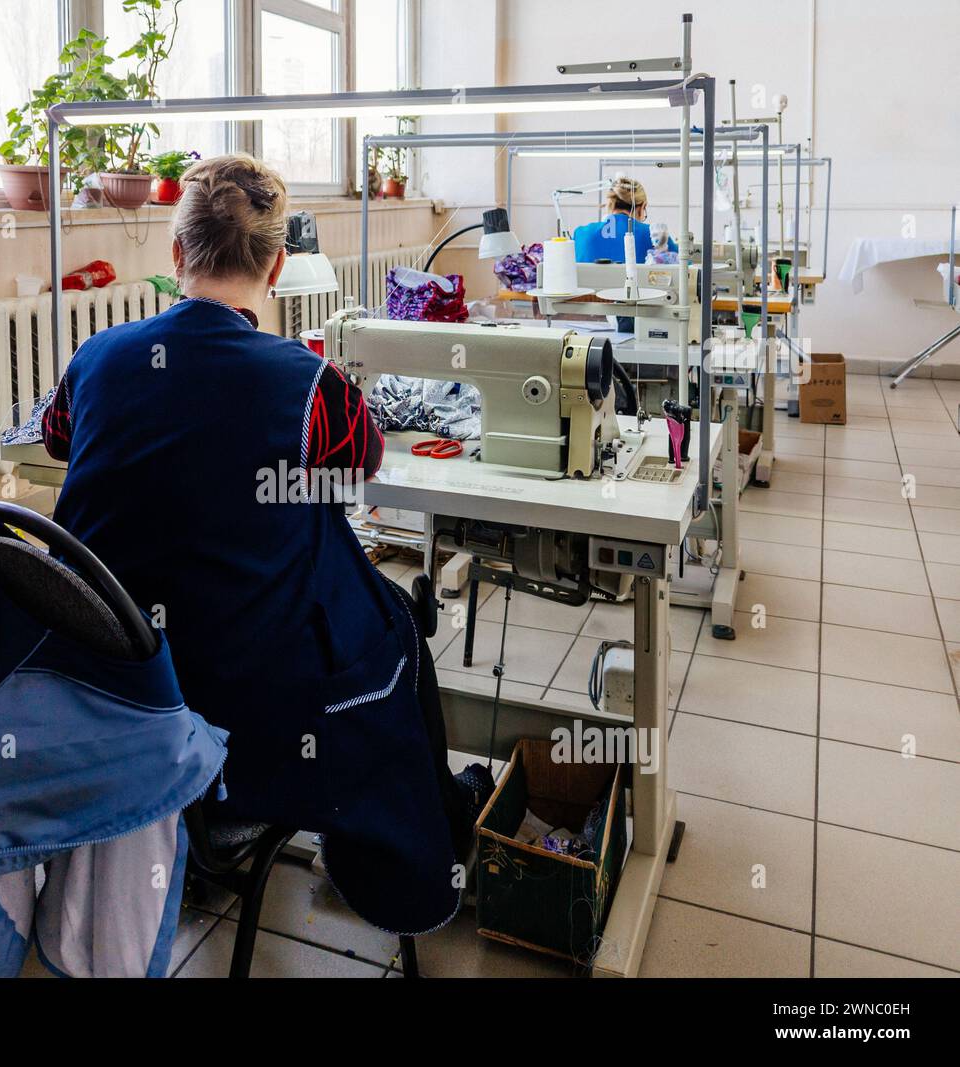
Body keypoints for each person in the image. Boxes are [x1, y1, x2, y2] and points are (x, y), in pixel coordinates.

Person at [42, 154, 491, 937]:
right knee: (398, 632)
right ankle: (422, 854)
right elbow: (365, 462)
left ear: (177, 255)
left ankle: (199, 814)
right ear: (279, 265)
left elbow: (54, 438)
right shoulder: (307, 384)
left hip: (122, 694)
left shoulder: (99, 358)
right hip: (259, 707)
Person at [572, 175, 677, 265]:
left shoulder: (581, 233)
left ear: (610, 204)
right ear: (642, 207)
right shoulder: (656, 236)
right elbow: (686, 271)